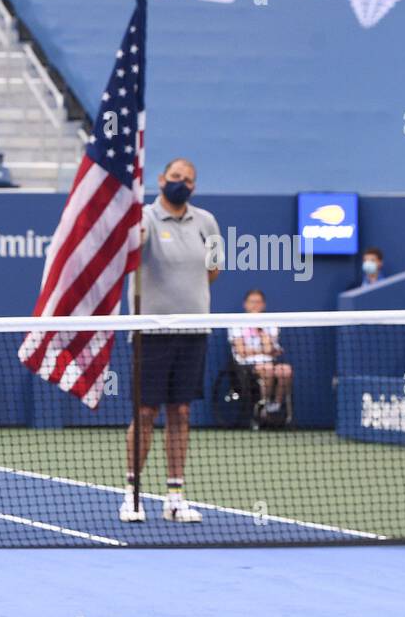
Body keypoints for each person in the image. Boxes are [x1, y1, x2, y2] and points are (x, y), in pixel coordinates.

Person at [121, 157, 221, 524]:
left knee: (180, 412)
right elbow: (129, 258)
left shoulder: (206, 222)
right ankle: (132, 494)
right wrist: (138, 239)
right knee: (145, 412)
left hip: (194, 331)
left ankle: (175, 496)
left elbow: (213, 270)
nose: (182, 183)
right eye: (176, 177)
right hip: (150, 332)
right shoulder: (143, 218)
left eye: (189, 179)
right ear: (162, 179)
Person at [228, 289, 291, 417]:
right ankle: (264, 406)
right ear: (245, 304)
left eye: (258, 302)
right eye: (251, 302)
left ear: (263, 305)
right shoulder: (235, 323)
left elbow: (269, 349)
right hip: (245, 367)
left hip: (269, 363)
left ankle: (275, 405)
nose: (255, 305)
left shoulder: (271, 323)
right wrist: (265, 350)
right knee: (267, 369)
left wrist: (260, 329)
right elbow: (242, 352)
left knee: (286, 370)